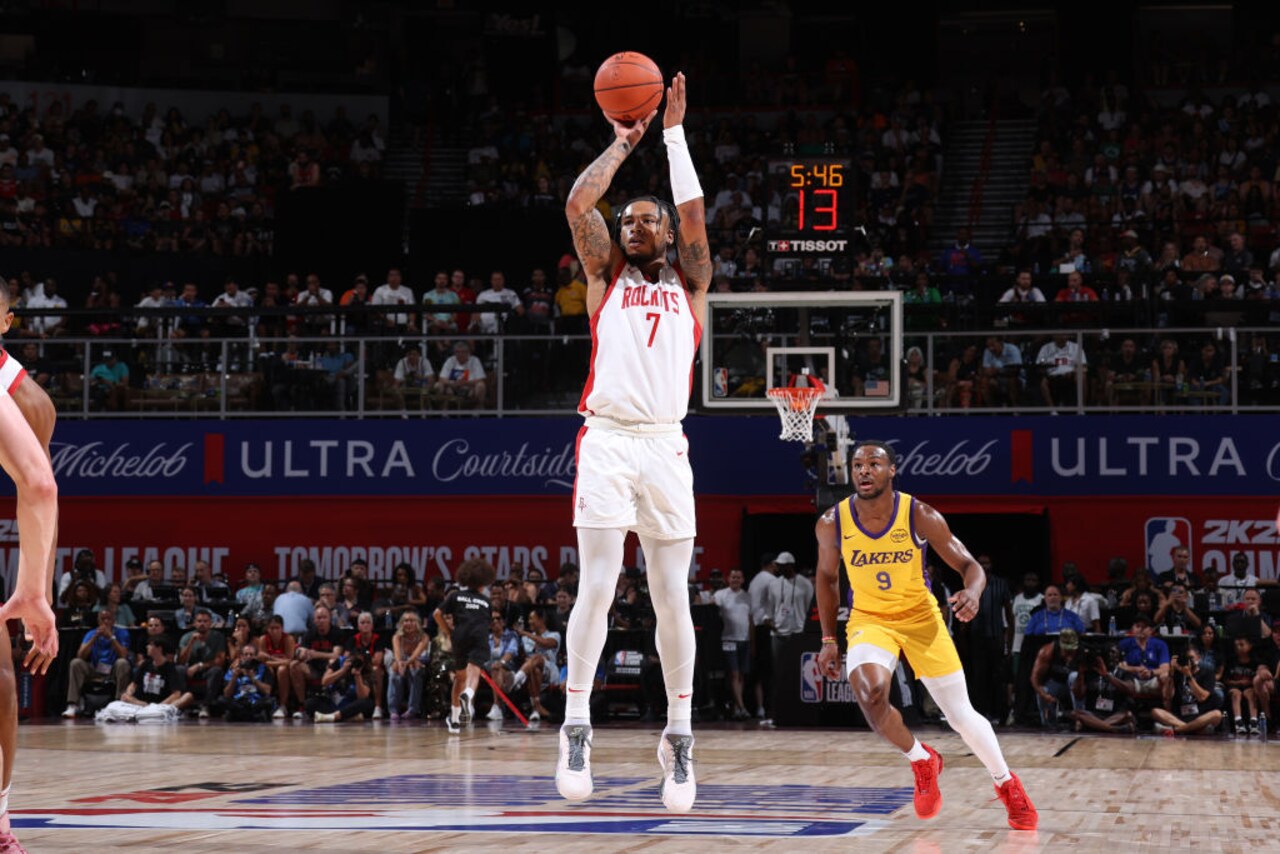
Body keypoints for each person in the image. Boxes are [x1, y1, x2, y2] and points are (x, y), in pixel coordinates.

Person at [555, 72, 713, 815]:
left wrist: (675, 135)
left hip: (665, 445)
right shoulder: (603, 277)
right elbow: (578, 204)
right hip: (610, 440)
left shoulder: (692, 282)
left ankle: (678, 734)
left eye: (647, 221)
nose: (633, 227)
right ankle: (576, 721)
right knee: (596, 584)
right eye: (628, 222)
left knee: (670, 595)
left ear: (669, 235)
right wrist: (623, 144)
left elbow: (692, 210)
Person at [814, 441, 1037, 830]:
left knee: (960, 715)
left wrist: (972, 591)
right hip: (870, 619)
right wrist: (829, 639)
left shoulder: (919, 515)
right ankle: (921, 759)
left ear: (892, 470)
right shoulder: (832, 522)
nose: (864, 471)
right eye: (858, 465)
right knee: (869, 693)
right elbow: (827, 578)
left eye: (874, 464)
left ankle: (1006, 784)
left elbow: (969, 565)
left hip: (921, 618)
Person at [433, 558, 495, 733]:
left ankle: (454, 720)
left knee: (459, 676)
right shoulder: (486, 601)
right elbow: (487, 622)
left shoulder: (455, 596)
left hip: (459, 636)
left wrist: (447, 631)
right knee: (474, 670)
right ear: (483, 583)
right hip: (479, 635)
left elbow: (437, 613)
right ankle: (468, 694)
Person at [713, 568, 752, 720]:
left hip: (745, 640)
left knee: (741, 675)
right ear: (728, 578)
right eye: (733, 577)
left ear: (742, 580)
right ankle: (742, 707)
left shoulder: (747, 597)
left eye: (738, 577)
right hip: (728, 639)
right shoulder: (721, 595)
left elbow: (750, 620)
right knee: (734, 674)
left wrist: (752, 642)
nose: (735, 580)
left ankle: (737, 707)